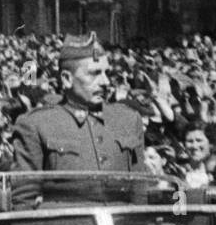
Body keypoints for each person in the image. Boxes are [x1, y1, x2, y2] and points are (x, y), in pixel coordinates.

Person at [12, 34, 145, 174]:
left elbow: (139, 188)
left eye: (107, 73)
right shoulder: (36, 125)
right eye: (95, 73)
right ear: (67, 79)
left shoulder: (128, 119)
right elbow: (25, 192)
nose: (105, 82)